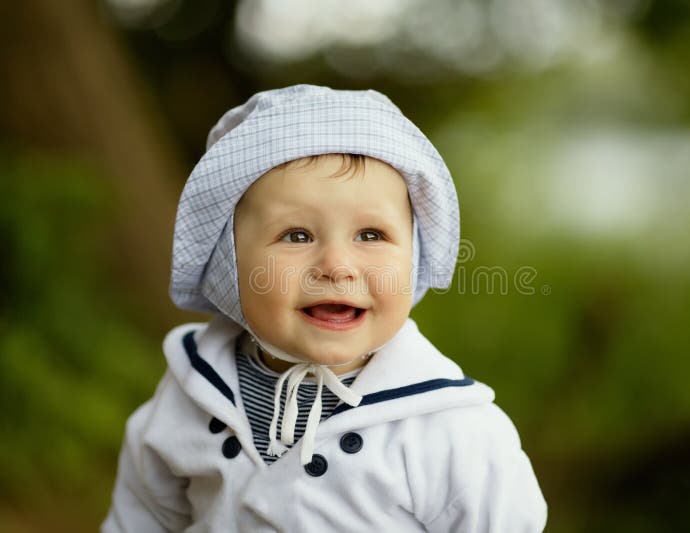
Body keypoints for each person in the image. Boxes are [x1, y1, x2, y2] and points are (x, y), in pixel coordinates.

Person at [102, 84, 547, 532]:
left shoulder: (453, 431)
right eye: (297, 235)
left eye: (371, 235)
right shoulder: (188, 393)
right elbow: (139, 519)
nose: (337, 266)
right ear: (228, 262)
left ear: (414, 257)